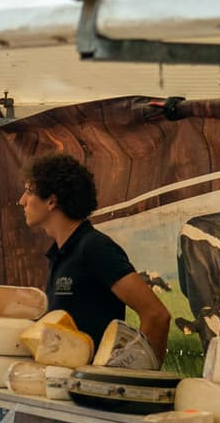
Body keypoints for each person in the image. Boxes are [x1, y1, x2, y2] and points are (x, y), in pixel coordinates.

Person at [20, 153, 172, 359]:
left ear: (51, 201)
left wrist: (137, 376)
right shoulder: (61, 253)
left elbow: (157, 315)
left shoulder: (94, 247)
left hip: (93, 388)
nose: (22, 201)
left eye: (29, 191)